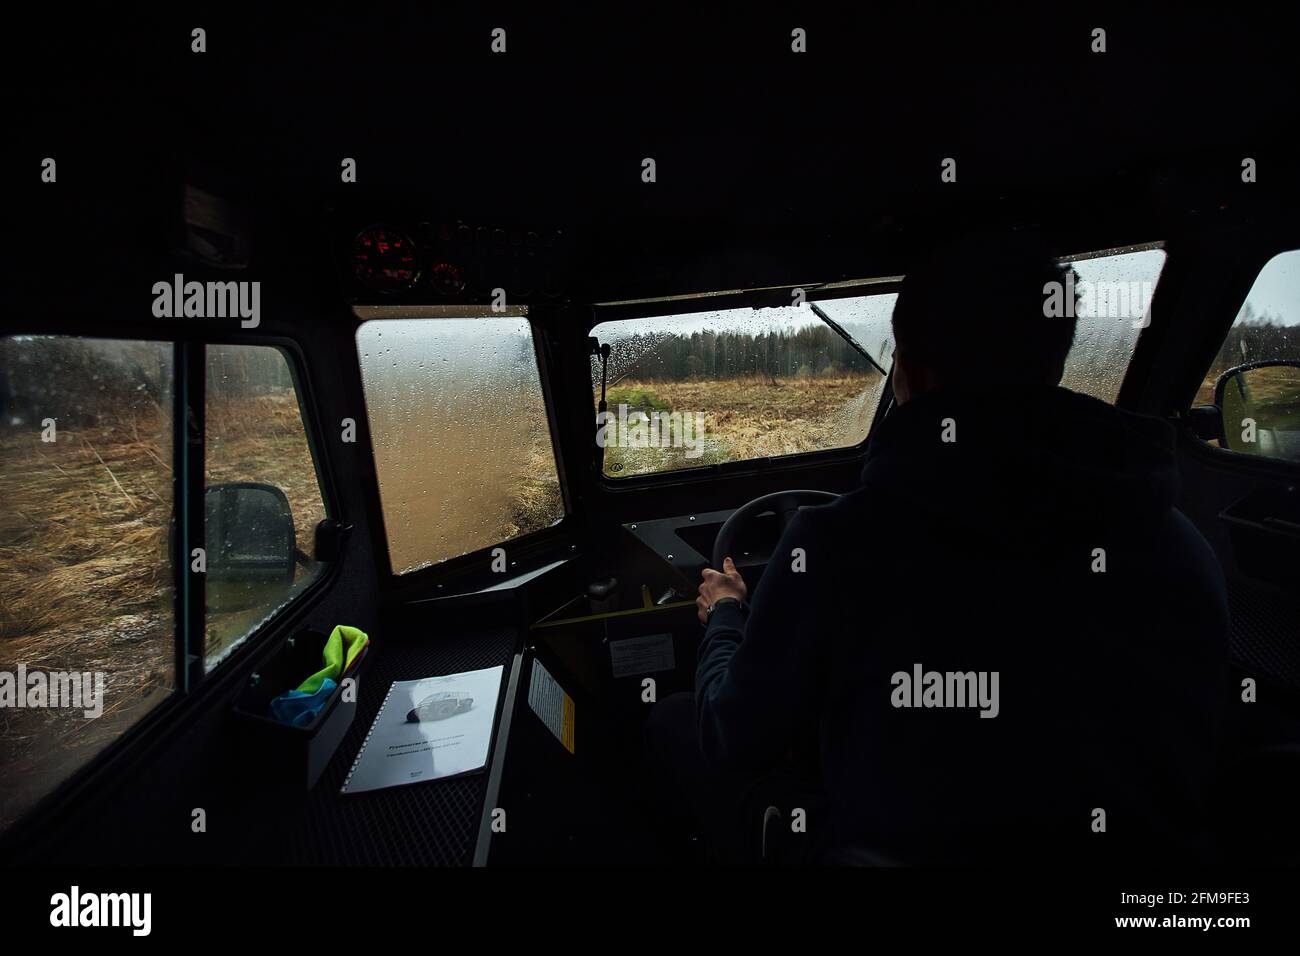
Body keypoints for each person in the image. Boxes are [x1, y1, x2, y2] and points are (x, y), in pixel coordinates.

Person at [645, 231, 1229, 865]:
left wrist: (727, 614)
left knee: (675, 720)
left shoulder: (837, 546)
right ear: (1053, 361)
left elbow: (735, 737)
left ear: (908, 369)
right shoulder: (1178, 546)